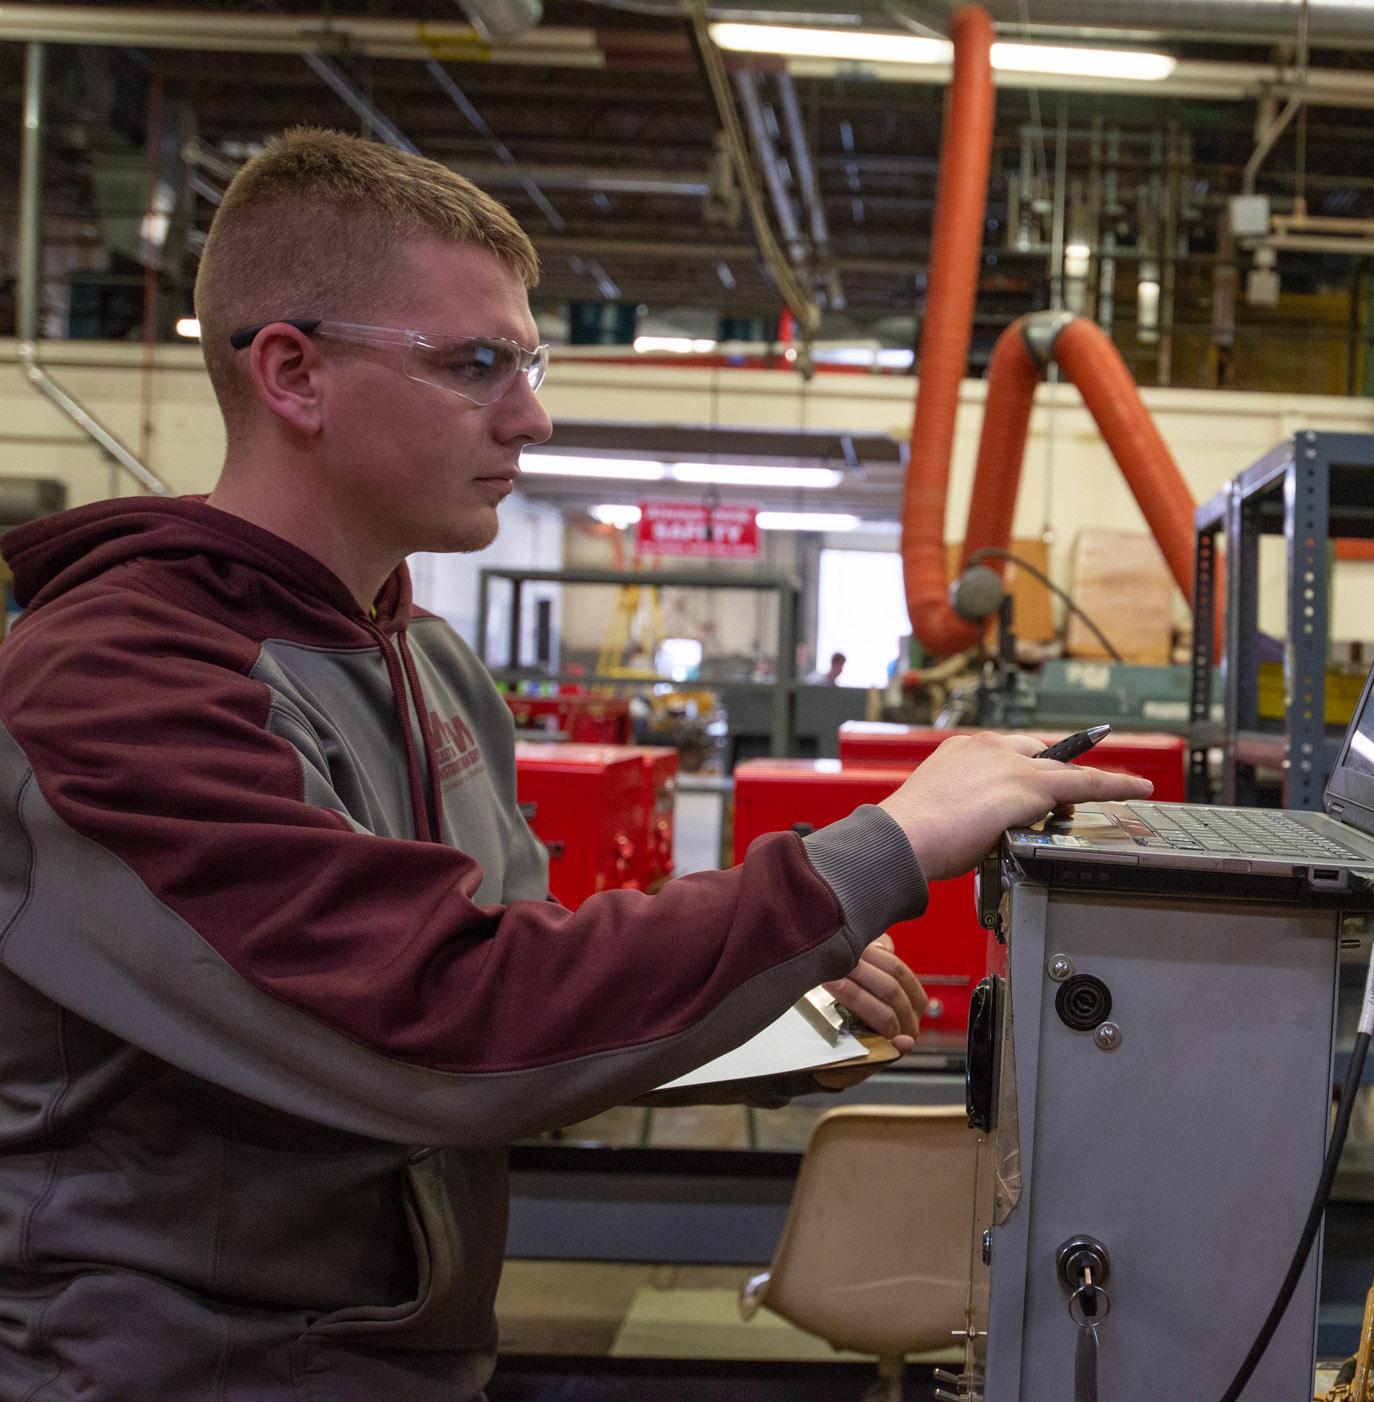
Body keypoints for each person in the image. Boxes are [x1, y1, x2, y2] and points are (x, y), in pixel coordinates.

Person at [0, 128, 1150, 1400]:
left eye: (528, 363)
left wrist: (768, 1004)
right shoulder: (116, 681)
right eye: (473, 364)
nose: (530, 414)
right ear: (294, 374)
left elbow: (530, 983)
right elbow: (432, 1022)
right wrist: (875, 851)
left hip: (390, 1361)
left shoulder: (423, 658)